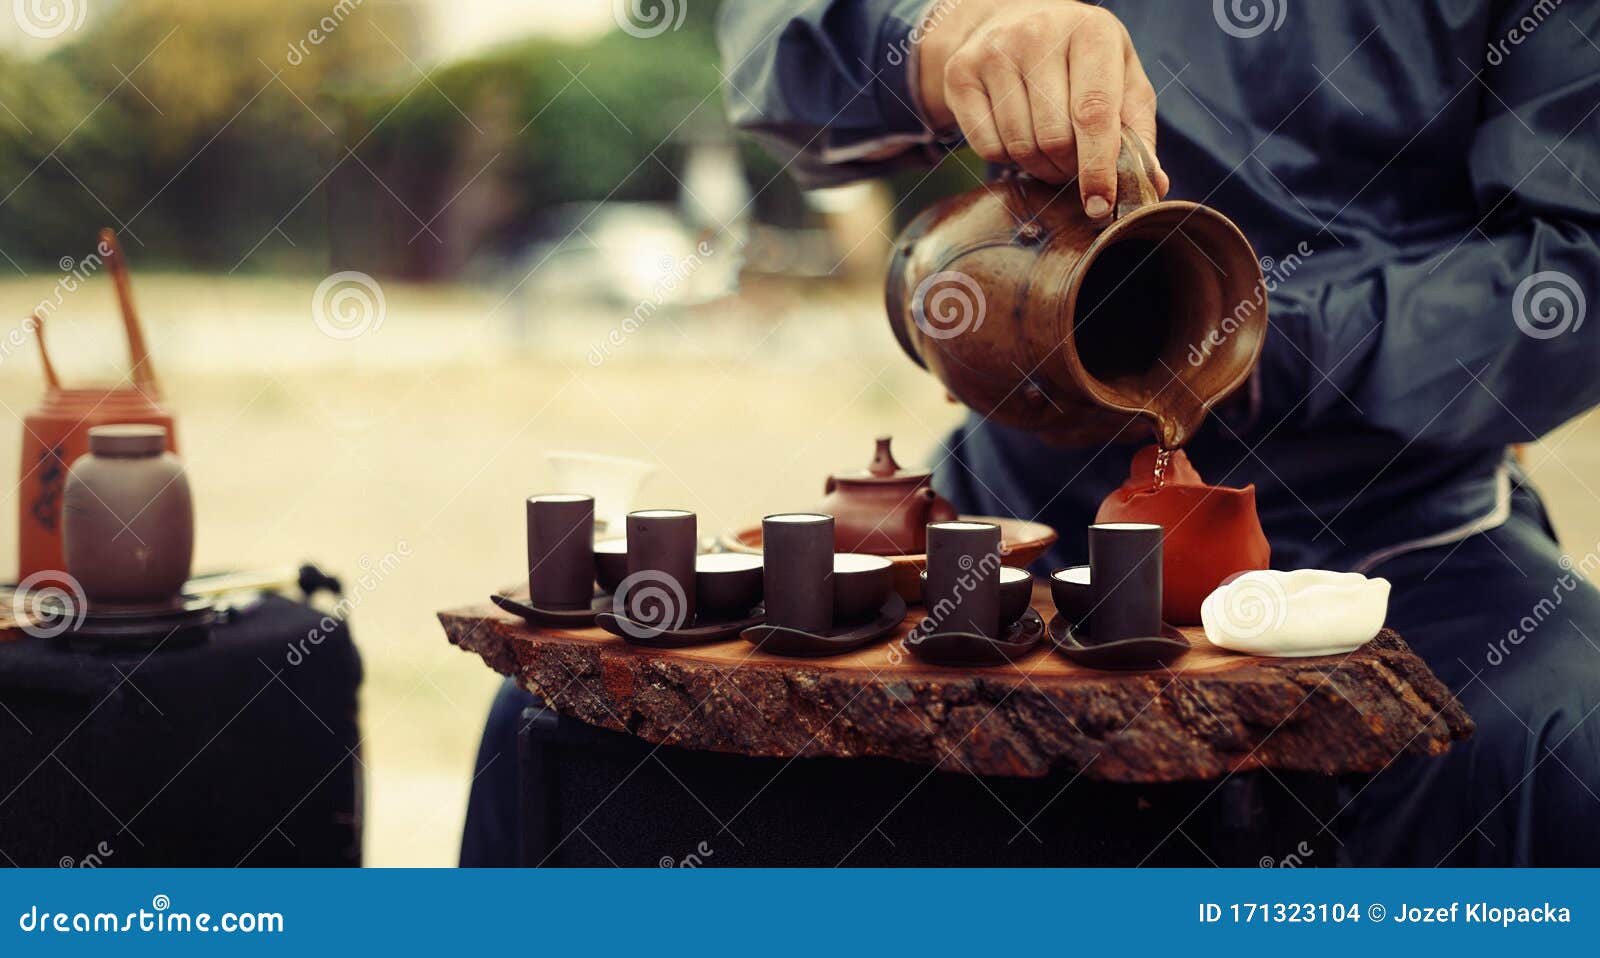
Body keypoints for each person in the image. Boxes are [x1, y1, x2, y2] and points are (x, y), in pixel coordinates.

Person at [463, 0, 1600, 866]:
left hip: (1403, 542)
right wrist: (943, 32)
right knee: (559, 727)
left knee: (1563, 757)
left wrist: (1245, 330)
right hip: (1009, 539)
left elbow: (1576, 271)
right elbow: (774, 36)